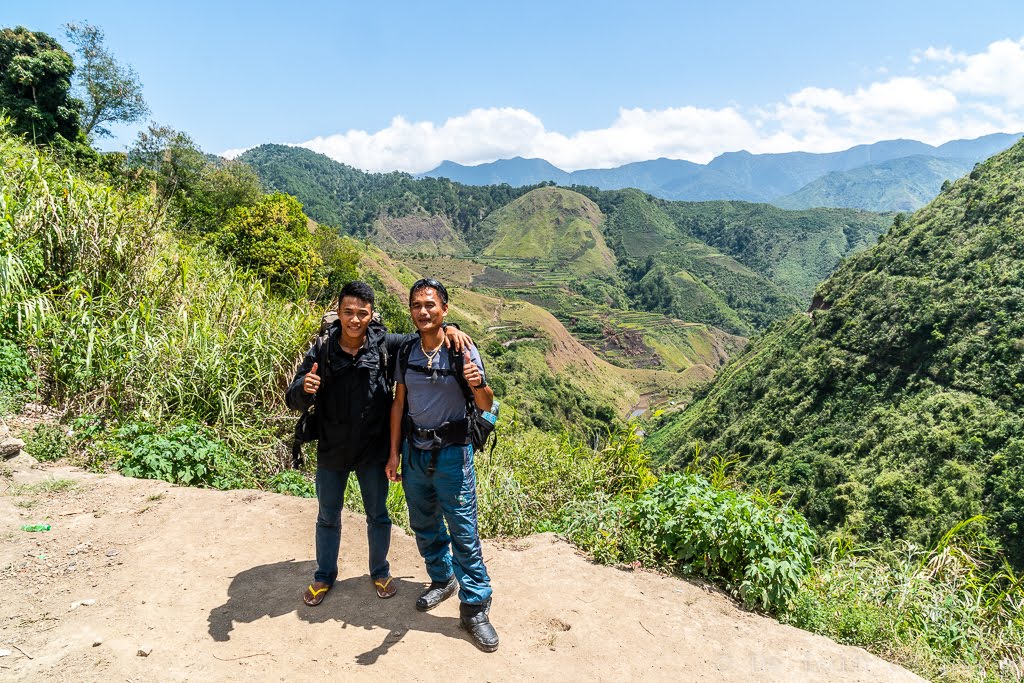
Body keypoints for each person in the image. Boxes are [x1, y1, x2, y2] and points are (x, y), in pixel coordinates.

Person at [286, 281, 470, 607]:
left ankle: (379, 571)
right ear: (339, 313)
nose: (355, 320)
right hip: (332, 450)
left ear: (371, 315)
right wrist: (304, 387)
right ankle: (324, 575)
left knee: (378, 515)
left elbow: (424, 335)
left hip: (373, 451)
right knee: (328, 515)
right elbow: (293, 399)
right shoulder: (323, 349)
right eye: (348, 312)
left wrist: (452, 327)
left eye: (362, 313)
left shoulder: (384, 344)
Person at [386, 278, 499, 652]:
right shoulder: (406, 352)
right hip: (415, 450)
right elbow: (398, 404)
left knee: (463, 529)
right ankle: (442, 578)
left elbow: (485, 403)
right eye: (417, 305)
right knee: (423, 522)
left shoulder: (462, 350)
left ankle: (475, 608)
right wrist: (394, 453)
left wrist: (478, 381)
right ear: (411, 311)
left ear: (444, 309)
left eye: (431, 305)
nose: (423, 311)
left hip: (453, 452)